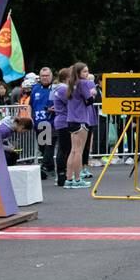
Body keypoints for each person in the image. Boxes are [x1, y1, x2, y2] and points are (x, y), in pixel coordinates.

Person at [64, 61, 96, 189]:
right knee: (79, 152)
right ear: (78, 73)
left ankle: (69, 178)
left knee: (73, 151)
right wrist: (93, 92)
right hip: (81, 120)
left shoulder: (71, 84)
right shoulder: (82, 84)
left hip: (71, 119)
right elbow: (89, 101)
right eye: (85, 71)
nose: (87, 74)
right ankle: (77, 179)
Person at [29, 67, 55, 180]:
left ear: (51, 76)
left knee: (49, 145)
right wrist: (30, 116)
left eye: (47, 75)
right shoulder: (35, 88)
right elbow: (30, 104)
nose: (45, 78)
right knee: (42, 146)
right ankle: (51, 168)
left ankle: (43, 167)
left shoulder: (55, 88)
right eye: (43, 76)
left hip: (51, 122)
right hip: (38, 122)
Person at [51, 66, 72, 187]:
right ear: (67, 78)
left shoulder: (59, 88)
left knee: (64, 149)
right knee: (64, 149)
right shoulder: (63, 88)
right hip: (64, 121)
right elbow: (72, 102)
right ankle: (62, 175)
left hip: (62, 121)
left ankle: (62, 174)